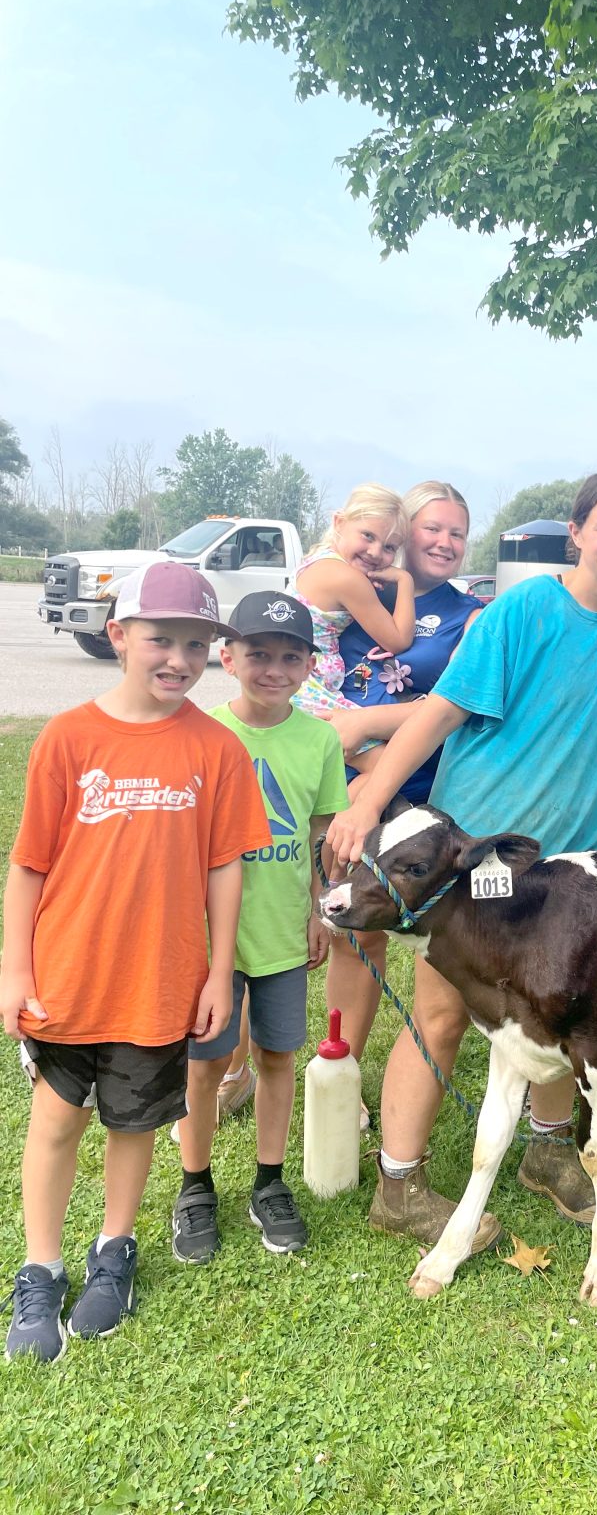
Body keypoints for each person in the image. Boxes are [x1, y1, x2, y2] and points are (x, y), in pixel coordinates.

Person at [325, 471, 597, 1255]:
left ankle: (548, 1149)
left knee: (572, 1009)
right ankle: (399, 1184)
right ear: (576, 532)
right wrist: (368, 803)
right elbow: (439, 714)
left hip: (575, 877)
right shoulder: (523, 612)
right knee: (442, 1015)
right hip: (479, 863)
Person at [1, 564, 270, 1363]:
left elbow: (227, 867)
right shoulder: (68, 738)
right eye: (161, 639)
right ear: (117, 635)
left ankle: (113, 1250)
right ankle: (40, 1264)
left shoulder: (217, 749)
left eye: (196, 644)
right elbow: (30, 866)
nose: (179, 659)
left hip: (162, 980)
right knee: (56, 1121)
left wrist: (220, 973)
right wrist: (16, 971)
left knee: (134, 1122)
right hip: (69, 974)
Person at [171, 592, 349, 1264]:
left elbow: (319, 837)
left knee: (278, 1056)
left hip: (280, 931)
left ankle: (269, 1182)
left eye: (288, 657)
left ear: (309, 664)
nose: (272, 669)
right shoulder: (201, 732)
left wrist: (317, 908)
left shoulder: (319, 739)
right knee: (207, 1062)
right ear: (228, 656)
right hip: (208, 940)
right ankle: (195, 1184)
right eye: (257, 655)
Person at [320, 481, 485, 1126]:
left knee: (427, 941)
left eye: (457, 532)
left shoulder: (471, 614)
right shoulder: (350, 588)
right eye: (432, 529)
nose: (445, 543)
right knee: (351, 936)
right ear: (401, 533)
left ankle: (419, 1076)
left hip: (421, 800)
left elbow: (462, 705)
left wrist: (367, 726)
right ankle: (345, 1075)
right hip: (342, 787)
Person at [290, 483, 416, 718]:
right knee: (386, 746)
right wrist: (405, 580)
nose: (376, 552)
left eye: (389, 547)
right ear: (339, 522)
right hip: (310, 692)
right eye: (368, 536)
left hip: (298, 682)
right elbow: (398, 641)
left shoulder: (318, 558)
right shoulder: (347, 579)